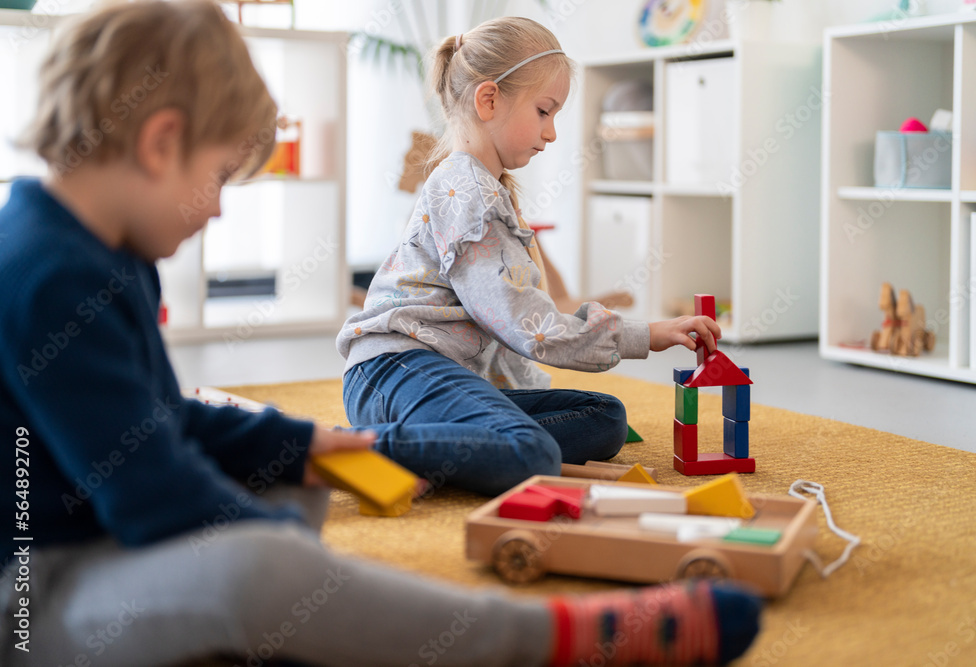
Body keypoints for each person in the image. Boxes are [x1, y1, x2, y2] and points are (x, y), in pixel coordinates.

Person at [0, 3, 761, 666]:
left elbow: (155, 428)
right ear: (162, 143)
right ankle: (553, 637)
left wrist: (300, 447)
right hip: (31, 602)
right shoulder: (48, 275)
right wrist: (285, 552)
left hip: (89, 537)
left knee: (300, 496)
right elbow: (151, 495)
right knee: (265, 564)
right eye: (220, 181)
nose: (217, 215)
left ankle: (311, 628)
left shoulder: (106, 255)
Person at [337, 17, 721, 496]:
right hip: (398, 370)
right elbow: (525, 324)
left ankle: (438, 449)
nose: (552, 132)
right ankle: (350, 447)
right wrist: (645, 335)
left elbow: (509, 341)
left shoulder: (485, 186)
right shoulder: (468, 193)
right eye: (544, 111)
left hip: (429, 376)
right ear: (489, 99)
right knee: (531, 452)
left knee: (604, 419)